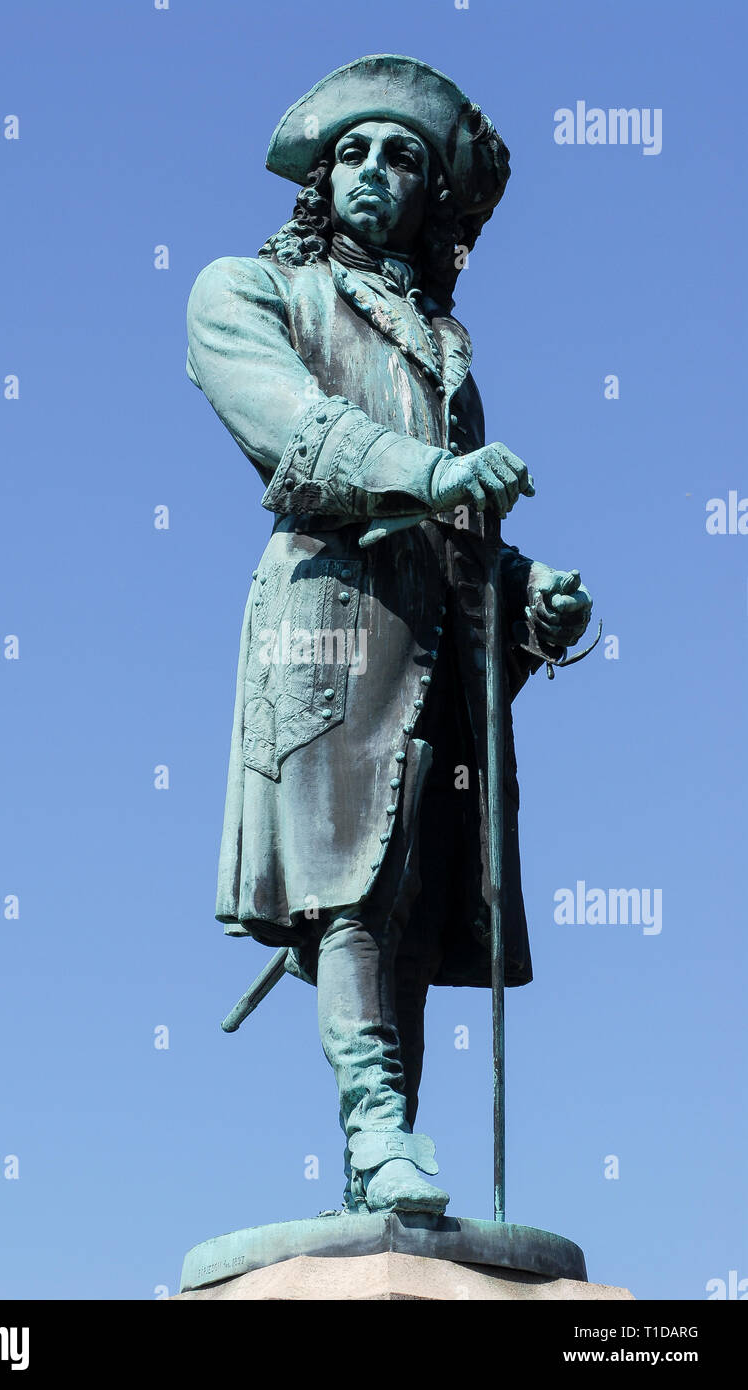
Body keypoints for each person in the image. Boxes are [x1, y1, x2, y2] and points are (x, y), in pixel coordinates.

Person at [186, 55, 593, 1215]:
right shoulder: (247, 290)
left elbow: (464, 523)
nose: (374, 170)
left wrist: (528, 593)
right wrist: (431, 471)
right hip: (324, 622)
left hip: (432, 638)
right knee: (345, 888)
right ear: (320, 178)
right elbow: (298, 435)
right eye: (353, 151)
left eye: (402, 156)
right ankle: (378, 1128)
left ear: (433, 196)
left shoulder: (452, 352)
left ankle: (383, 1168)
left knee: (412, 898)